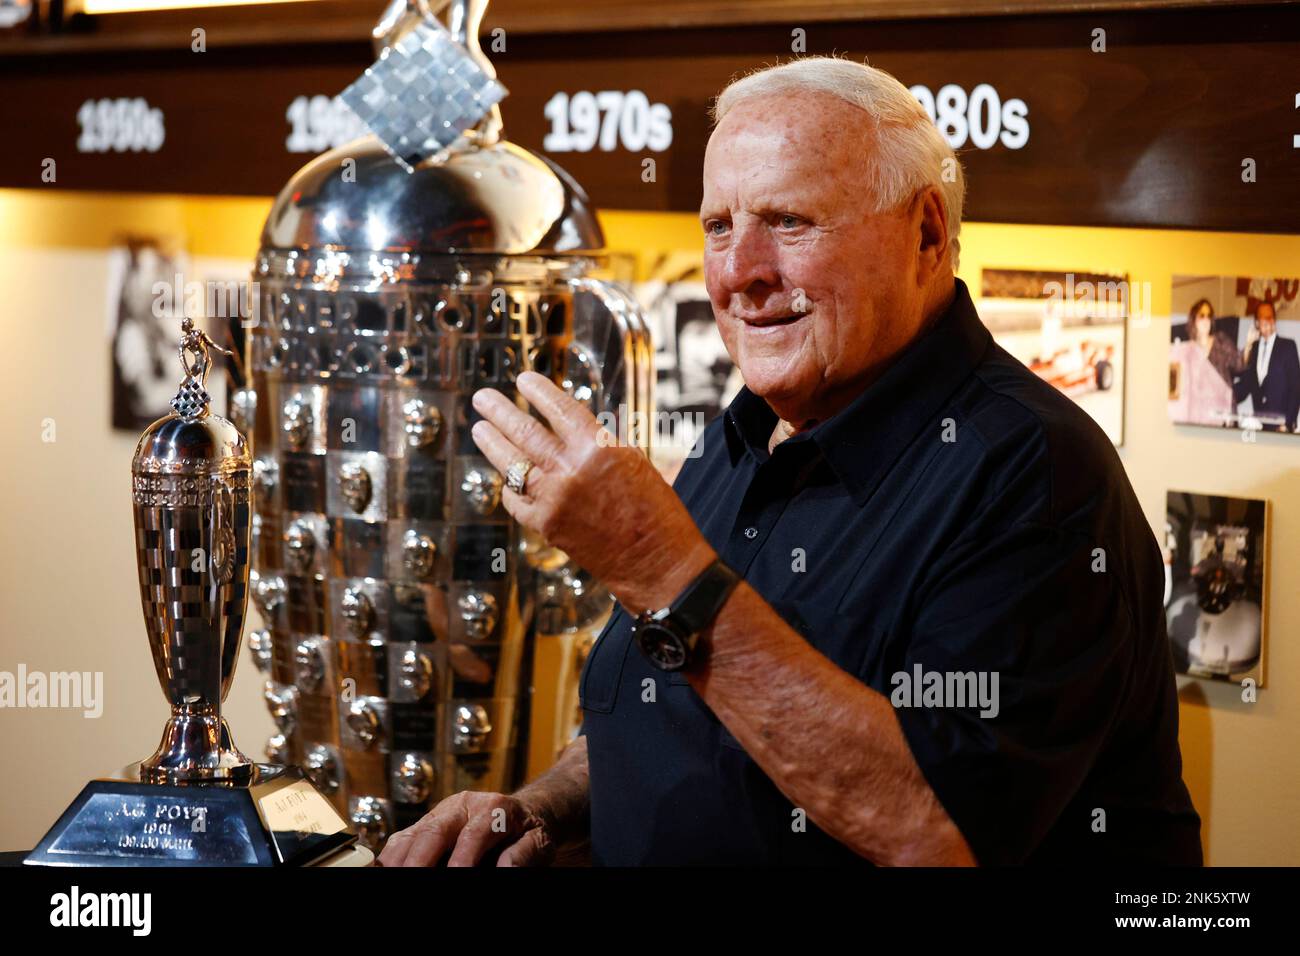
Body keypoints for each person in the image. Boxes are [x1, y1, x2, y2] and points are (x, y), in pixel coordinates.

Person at [379, 56, 1202, 867]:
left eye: (790, 222)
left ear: (925, 233)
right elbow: (671, 717)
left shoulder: (1035, 474)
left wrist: (660, 568)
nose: (739, 274)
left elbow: (936, 835)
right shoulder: (745, 434)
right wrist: (540, 814)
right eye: (719, 227)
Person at [1168, 298, 1240, 426]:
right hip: (1197, 415)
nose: (1206, 319)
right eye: (1202, 315)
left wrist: (1249, 346)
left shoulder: (1221, 341)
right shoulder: (1187, 350)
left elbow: (1239, 365)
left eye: (1209, 315)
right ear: (1194, 319)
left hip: (1222, 415)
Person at [1233, 300, 1300, 432]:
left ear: (1274, 320)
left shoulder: (1288, 347)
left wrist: (1288, 422)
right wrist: (1223, 395)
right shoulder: (1253, 349)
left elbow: (1296, 388)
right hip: (1258, 426)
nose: (1265, 322)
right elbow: (1244, 386)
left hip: (1282, 426)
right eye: (1261, 318)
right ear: (1256, 323)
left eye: (1269, 317)